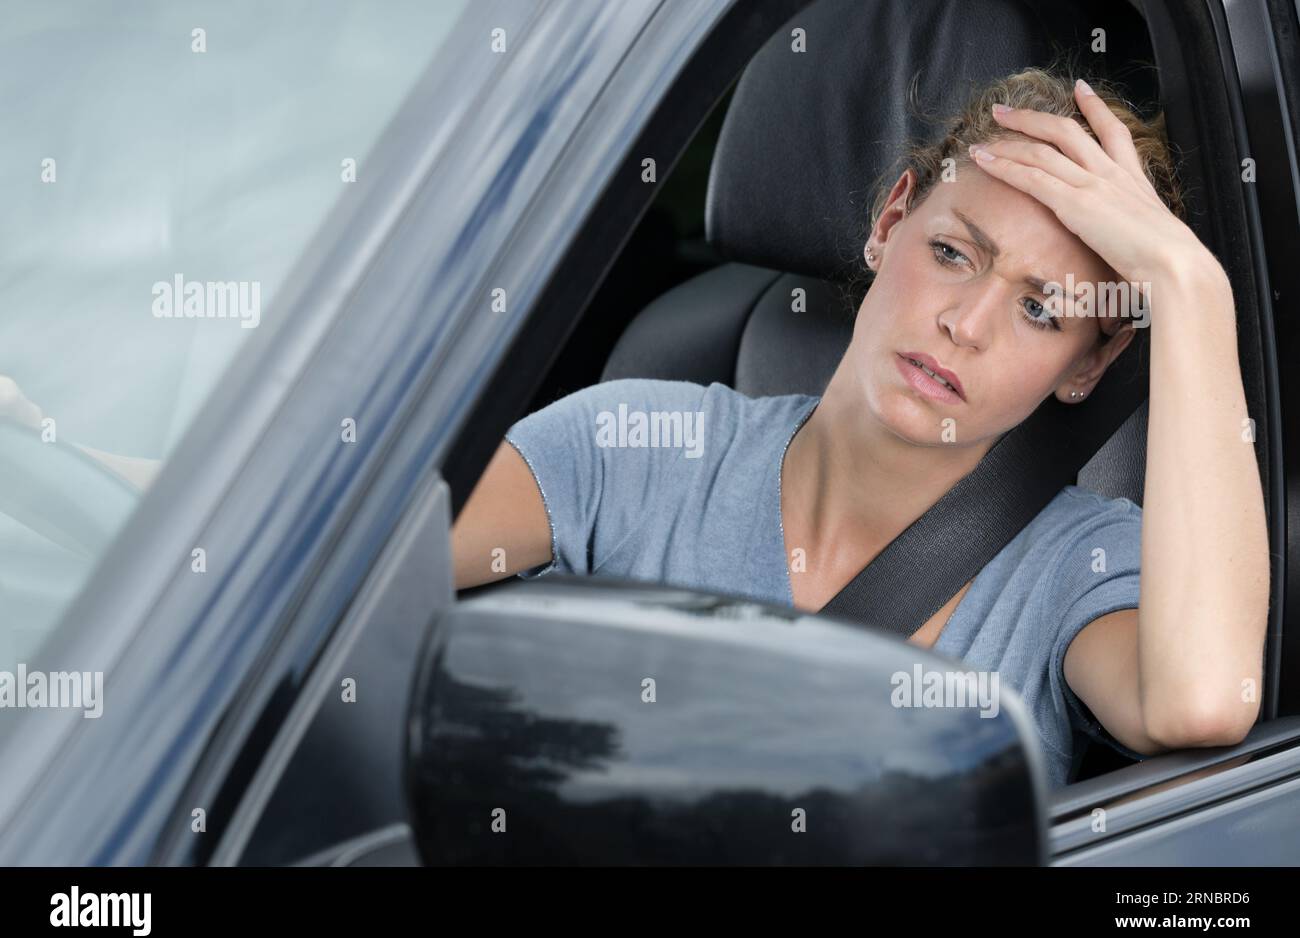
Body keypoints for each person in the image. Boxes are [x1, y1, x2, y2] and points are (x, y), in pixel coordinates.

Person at [450, 69, 1270, 788]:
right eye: (953, 252)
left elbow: (1199, 705)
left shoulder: (1079, 566)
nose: (966, 324)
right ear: (889, 223)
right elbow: (339, 572)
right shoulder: (636, 449)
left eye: (1040, 309)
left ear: (1088, 366)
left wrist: (1189, 285)